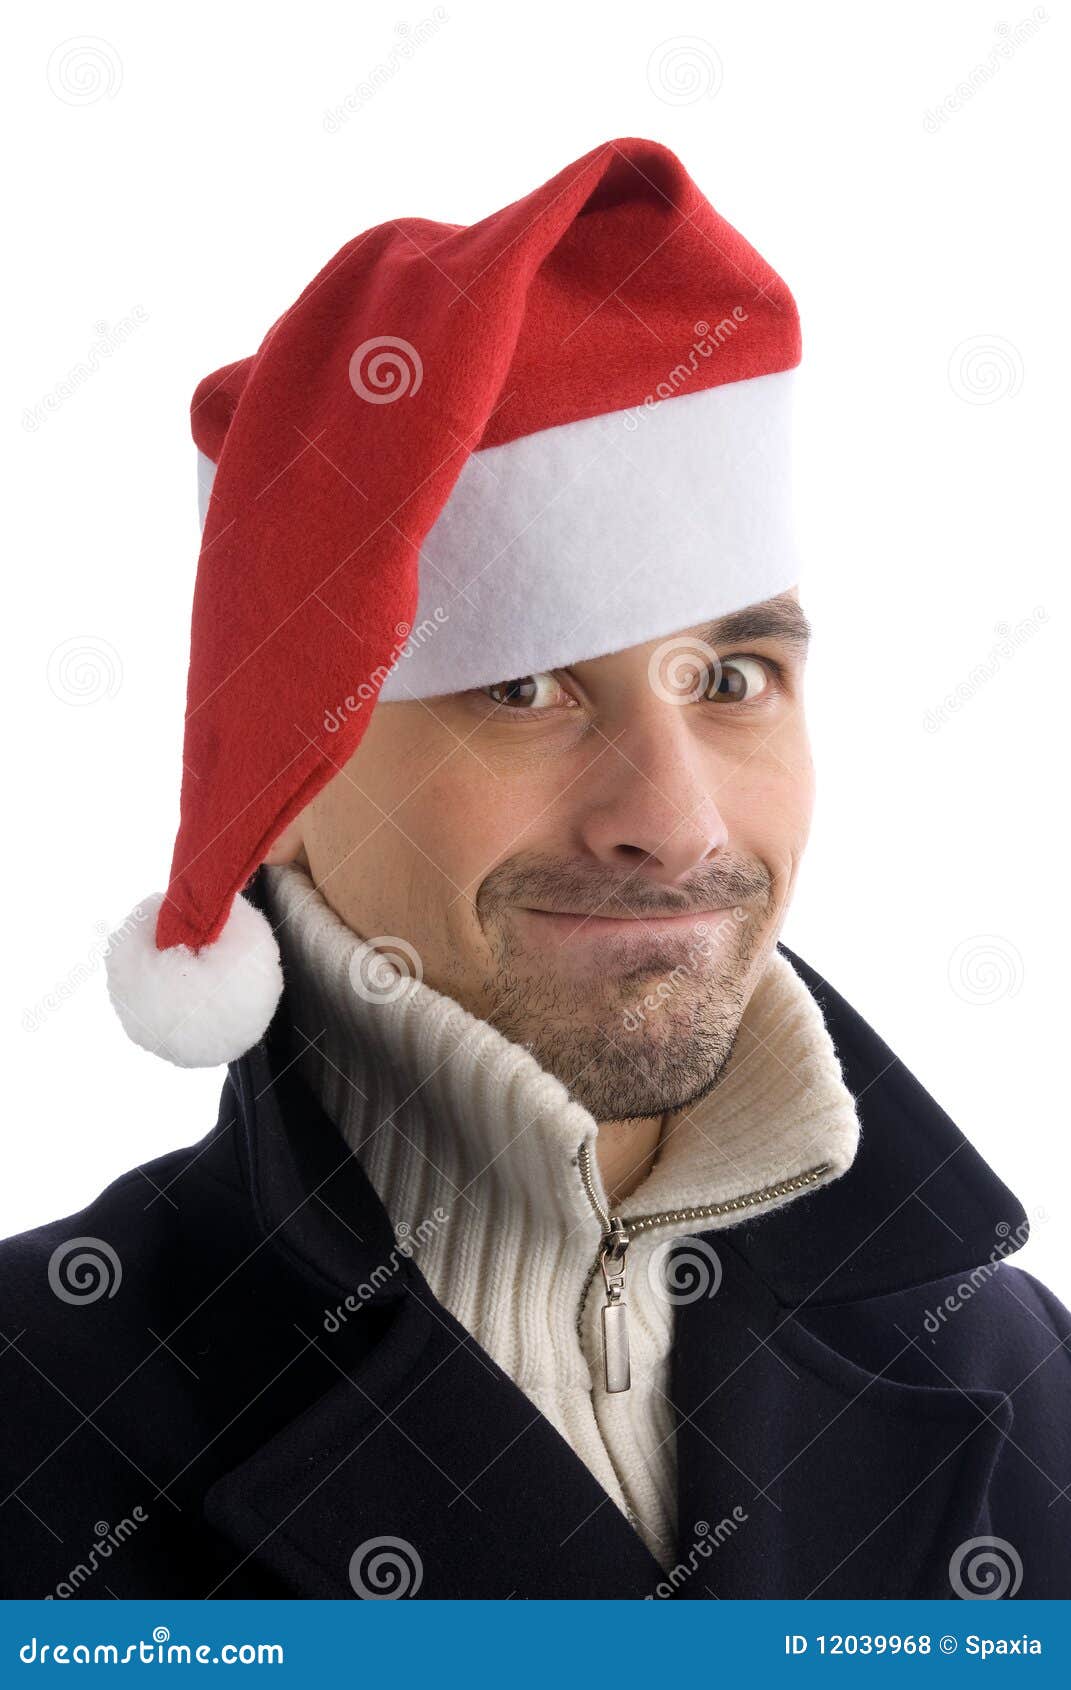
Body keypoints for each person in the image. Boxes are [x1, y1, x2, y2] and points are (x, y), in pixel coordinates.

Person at [1, 137, 1068, 1602]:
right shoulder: (31, 1407)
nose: (677, 823)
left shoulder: (1016, 1367)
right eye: (525, 690)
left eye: (734, 677)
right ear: (286, 782)